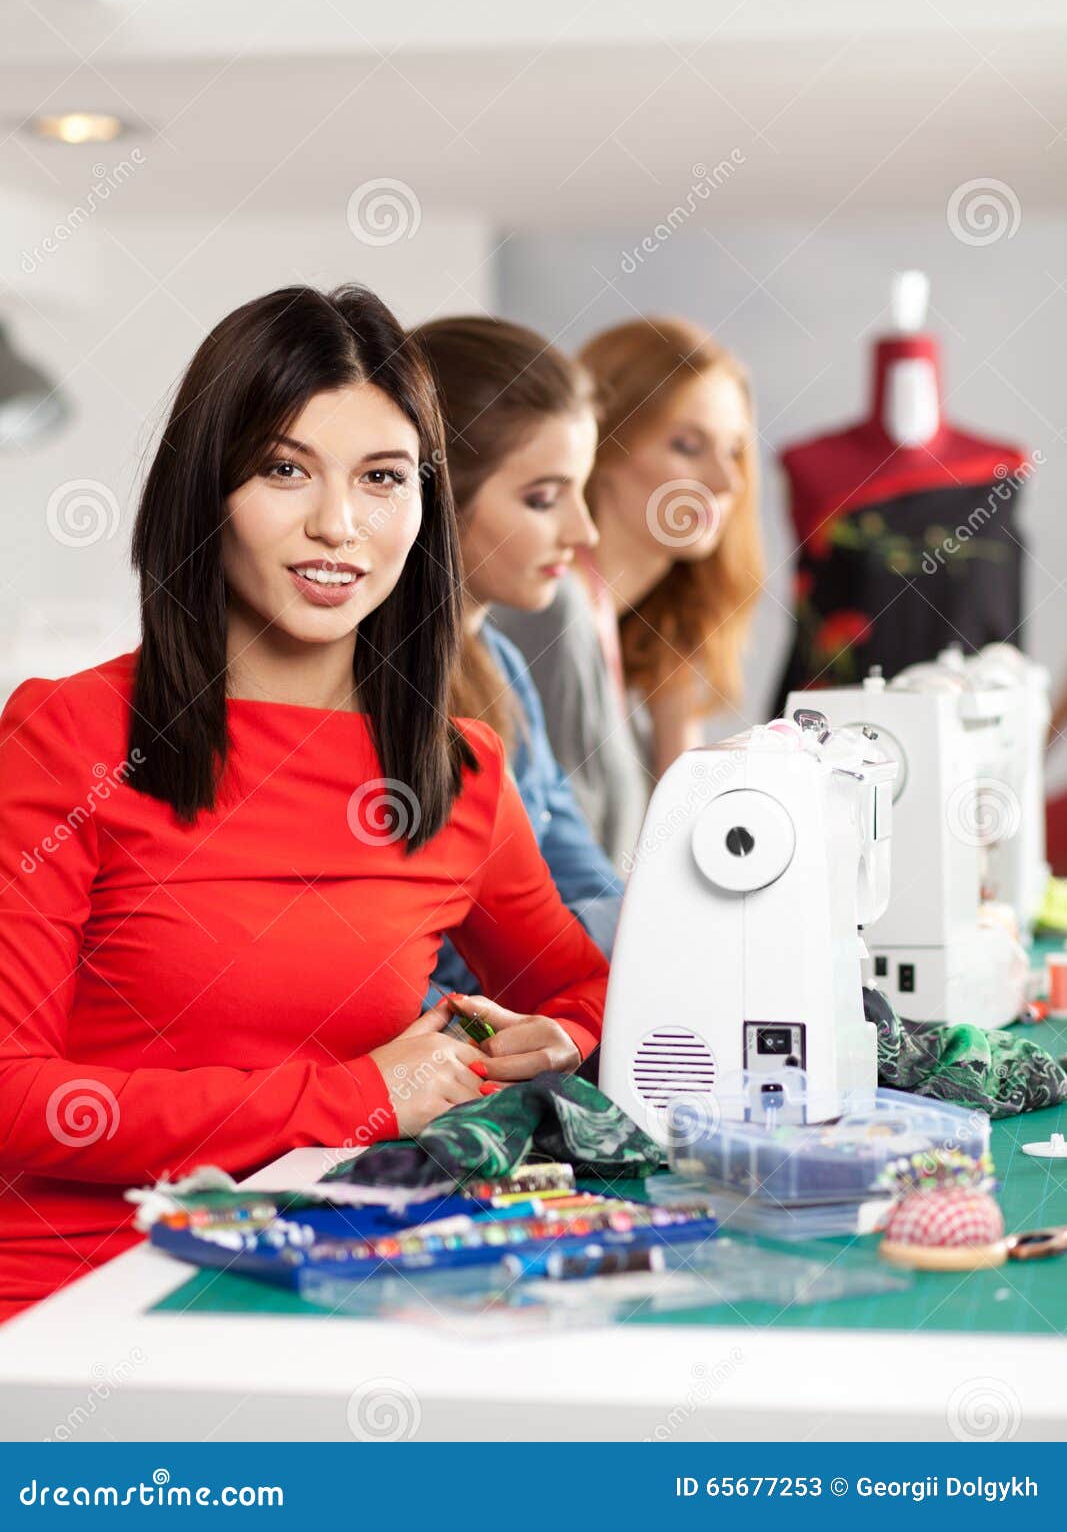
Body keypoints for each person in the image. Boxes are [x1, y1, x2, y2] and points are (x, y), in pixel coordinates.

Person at [0, 284, 608, 1321]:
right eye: (285, 470)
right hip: (82, 1300)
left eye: (381, 478)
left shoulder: (458, 773)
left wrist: (555, 1038)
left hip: (331, 1281)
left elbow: (581, 990)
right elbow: (14, 1096)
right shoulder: (70, 737)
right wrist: (359, 1094)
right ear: (206, 493)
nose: (338, 524)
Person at [496, 316, 764, 871]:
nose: (727, 481)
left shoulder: (624, 633)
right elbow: (556, 873)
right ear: (604, 448)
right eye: (688, 446)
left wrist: (675, 694)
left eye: (734, 450)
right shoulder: (552, 613)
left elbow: (685, 847)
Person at [410, 316, 624, 1000]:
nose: (582, 530)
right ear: (436, 496)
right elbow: (388, 975)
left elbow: (579, 881)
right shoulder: (357, 695)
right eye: (542, 498)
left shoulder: (498, 666)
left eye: (579, 491)